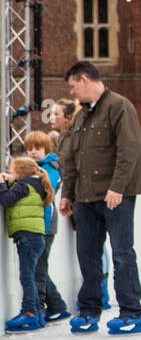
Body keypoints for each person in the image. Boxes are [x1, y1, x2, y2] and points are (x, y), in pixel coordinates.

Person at [59, 61, 141, 334]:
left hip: (115, 196)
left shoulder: (119, 106)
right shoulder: (82, 116)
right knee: (87, 254)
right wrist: (68, 194)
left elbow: (129, 149)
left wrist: (117, 187)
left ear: (85, 80)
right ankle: (89, 310)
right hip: (86, 197)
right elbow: (73, 157)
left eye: (73, 87)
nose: (72, 93)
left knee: (122, 254)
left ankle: (131, 312)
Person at [1, 157, 56, 330]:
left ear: (21, 173)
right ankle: (37, 314)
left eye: (12, 171)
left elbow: (7, 200)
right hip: (35, 237)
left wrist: (2, 185)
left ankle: (30, 312)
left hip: (28, 237)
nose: (10, 174)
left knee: (27, 276)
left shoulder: (25, 186)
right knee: (31, 275)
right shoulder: (35, 185)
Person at [24, 132, 71, 323]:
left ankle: (39, 307)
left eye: (37, 148)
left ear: (46, 150)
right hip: (34, 223)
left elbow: (46, 188)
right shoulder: (29, 168)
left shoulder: (51, 168)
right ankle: (58, 306)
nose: (33, 152)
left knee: (38, 268)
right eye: (29, 149)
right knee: (37, 267)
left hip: (45, 225)